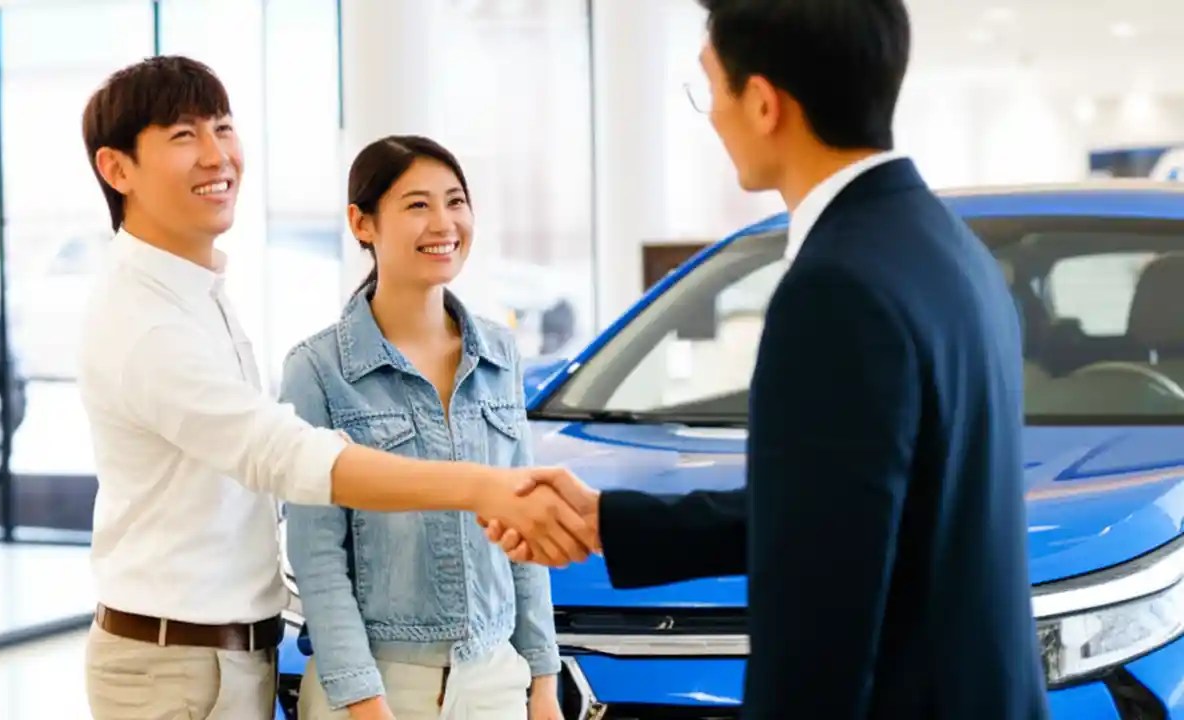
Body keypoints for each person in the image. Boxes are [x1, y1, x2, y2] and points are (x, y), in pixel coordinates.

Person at [487, 0, 1049, 718]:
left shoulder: (837, 286)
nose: (711, 115)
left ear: (762, 103)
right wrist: (610, 521)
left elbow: (823, 603)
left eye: (711, 88)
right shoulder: (948, 249)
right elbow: (839, 507)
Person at [77, 56, 591, 719]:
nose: (216, 154)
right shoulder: (147, 322)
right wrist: (482, 486)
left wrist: (541, 676)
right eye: (183, 136)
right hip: (180, 665)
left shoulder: (197, 293)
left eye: (223, 128)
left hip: (235, 657)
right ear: (118, 169)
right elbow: (290, 465)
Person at [281, 135, 563, 720]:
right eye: (417, 205)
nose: (444, 223)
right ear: (363, 223)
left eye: (455, 201)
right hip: (379, 685)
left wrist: (541, 682)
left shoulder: (499, 355)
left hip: (493, 682)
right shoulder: (317, 369)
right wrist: (365, 700)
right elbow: (317, 557)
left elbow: (522, 534)